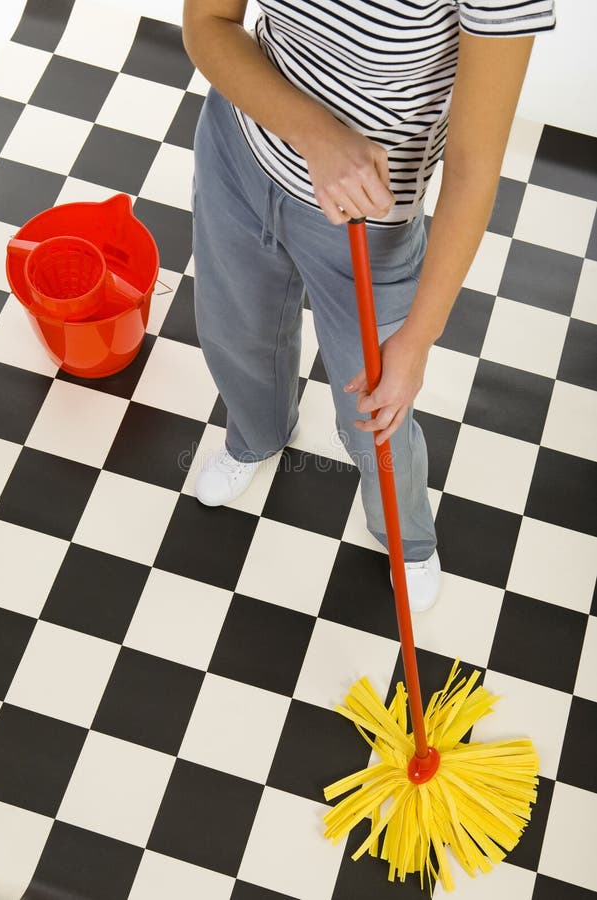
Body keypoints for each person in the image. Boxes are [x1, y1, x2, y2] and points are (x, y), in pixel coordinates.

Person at [182, 0, 556, 612]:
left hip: (369, 221)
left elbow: (474, 166)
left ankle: (405, 537)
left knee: (376, 410)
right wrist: (317, 135)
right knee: (234, 331)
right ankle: (256, 436)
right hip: (238, 149)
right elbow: (208, 24)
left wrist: (418, 338)